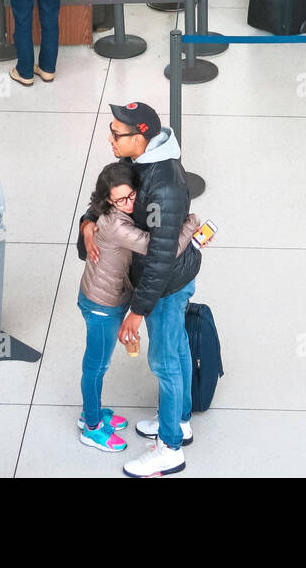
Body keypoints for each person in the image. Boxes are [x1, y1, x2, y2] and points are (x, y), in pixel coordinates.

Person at [79, 102, 202, 479]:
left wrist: (137, 310)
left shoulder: (161, 185)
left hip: (165, 286)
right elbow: (107, 199)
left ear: (141, 136)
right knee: (177, 348)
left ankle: (169, 449)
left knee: (164, 362)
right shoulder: (143, 165)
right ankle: (179, 420)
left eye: (118, 133)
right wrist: (88, 223)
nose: (111, 139)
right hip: (173, 279)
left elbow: (159, 258)